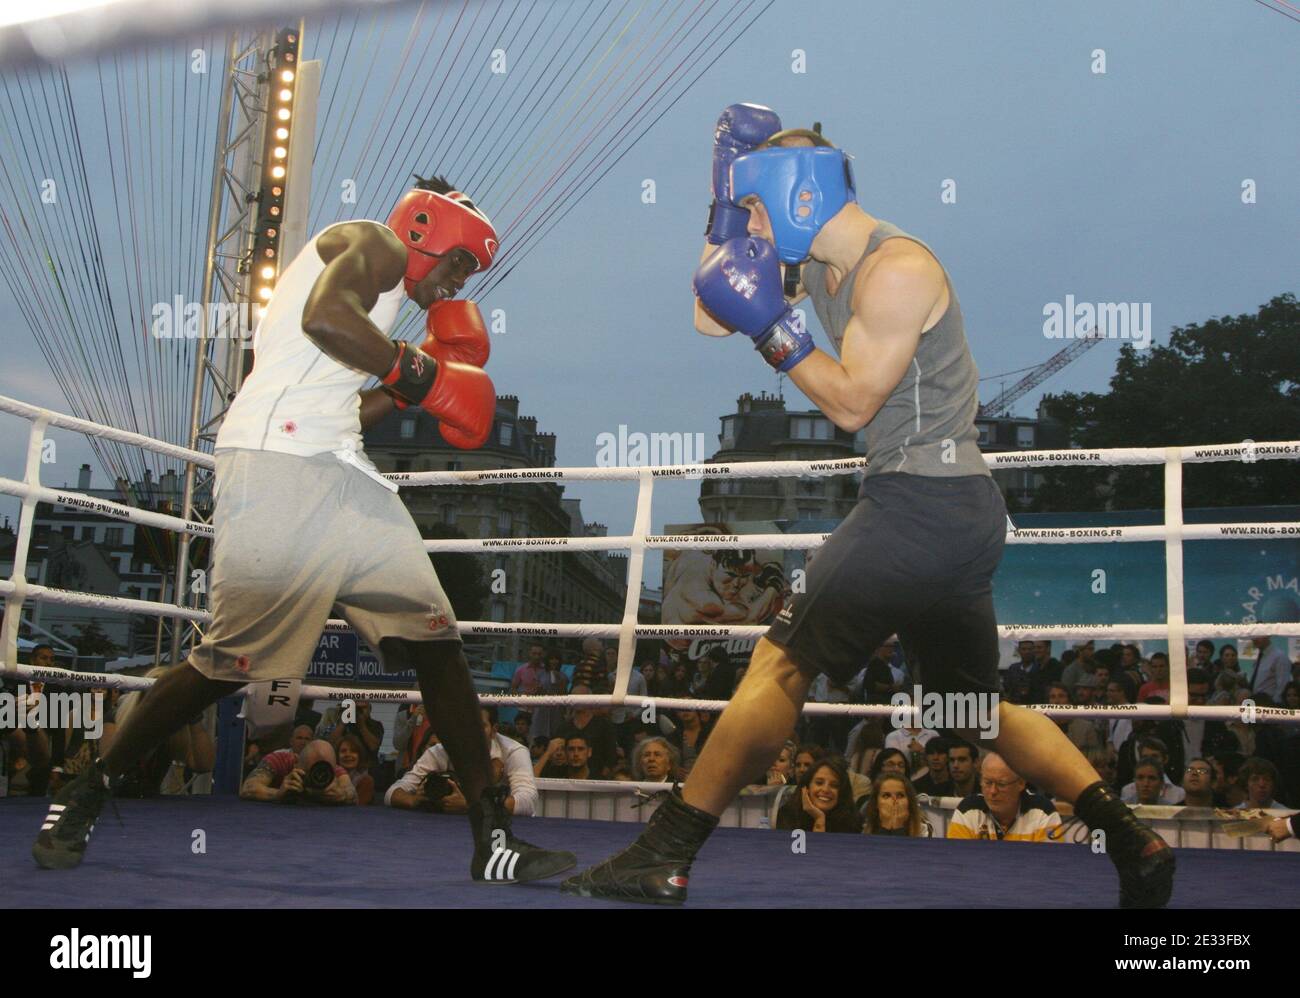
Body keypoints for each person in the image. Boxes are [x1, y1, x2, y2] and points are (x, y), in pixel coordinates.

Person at [562, 104, 1172, 908]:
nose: (748, 224)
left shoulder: (899, 268)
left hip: (923, 503)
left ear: (797, 194)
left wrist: (775, 332)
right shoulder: (819, 264)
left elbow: (849, 404)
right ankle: (1133, 841)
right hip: (942, 512)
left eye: (754, 205)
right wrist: (721, 203)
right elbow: (712, 312)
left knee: (780, 661)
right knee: (973, 708)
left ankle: (664, 854)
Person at [33, 174, 574, 885]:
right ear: (423, 232)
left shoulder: (382, 304)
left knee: (437, 642)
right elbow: (324, 318)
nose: (457, 284)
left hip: (342, 470)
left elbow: (348, 404)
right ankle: (86, 788)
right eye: (460, 264)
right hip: (276, 462)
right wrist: (420, 373)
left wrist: (430, 381)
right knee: (230, 661)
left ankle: (492, 839)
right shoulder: (371, 243)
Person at [387, 707, 538, 817]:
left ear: (493, 730)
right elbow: (391, 793)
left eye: (480, 726)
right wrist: (414, 800)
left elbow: (527, 802)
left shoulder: (514, 751)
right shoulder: (440, 751)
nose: (472, 732)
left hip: (502, 831)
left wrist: (471, 806)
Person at [946, 753, 1062, 842]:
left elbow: (1050, 866)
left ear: (1021, 783)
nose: (993, 791)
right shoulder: (967, 810)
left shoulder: (1043, 813)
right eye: (987, 782)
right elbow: (958, 863)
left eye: (1001, 784)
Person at [774, 757, 862, 834]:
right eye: (819, 783)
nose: (825, 789)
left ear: (842, 793)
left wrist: (819, 819)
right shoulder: (787, 815)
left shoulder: (853, 822)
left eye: (834, 785)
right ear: (806, 787)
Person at [862, 773, 932, 836]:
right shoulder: (864, 829)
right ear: (876, 803)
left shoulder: (924, 830)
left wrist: (898, 826)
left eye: (900, 795)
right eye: (886, 795)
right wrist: (885, 826)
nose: (894, 801)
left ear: (909, 802)